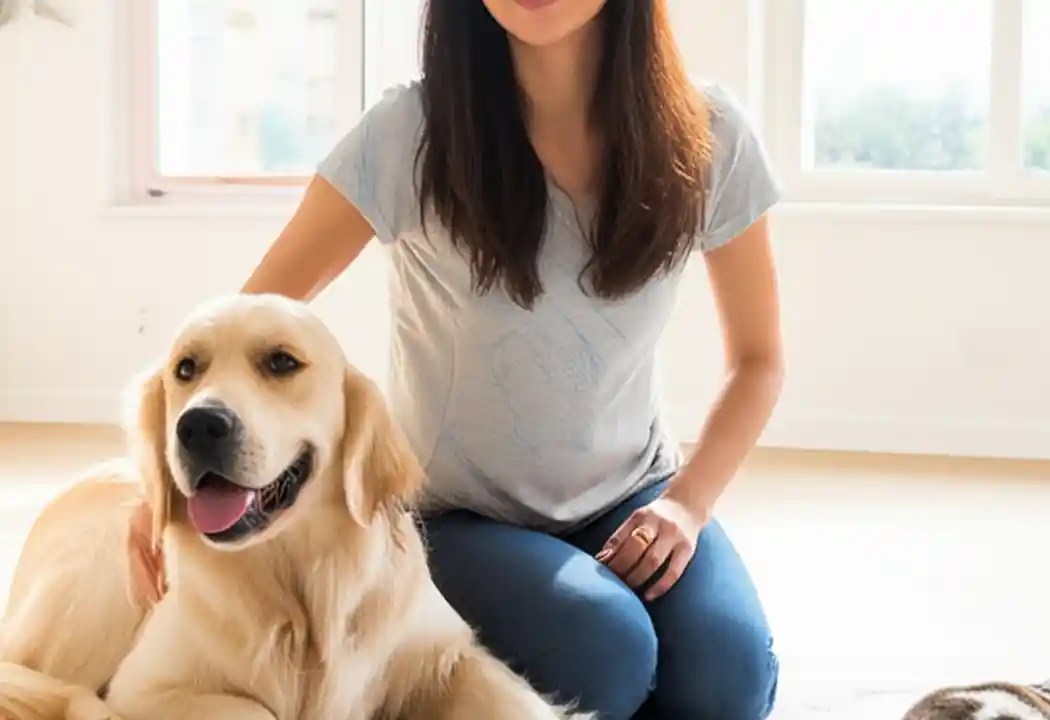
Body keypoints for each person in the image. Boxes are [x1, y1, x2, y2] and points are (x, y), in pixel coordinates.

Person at [128, 0, 783, 716]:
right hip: (453, 516)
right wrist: (159, 485)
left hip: (632, 494)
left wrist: (685, 507)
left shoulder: (711, 133)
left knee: (730, 678)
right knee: (603, 651)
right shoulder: (408, 133)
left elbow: (758, 361)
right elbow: (244, 321)